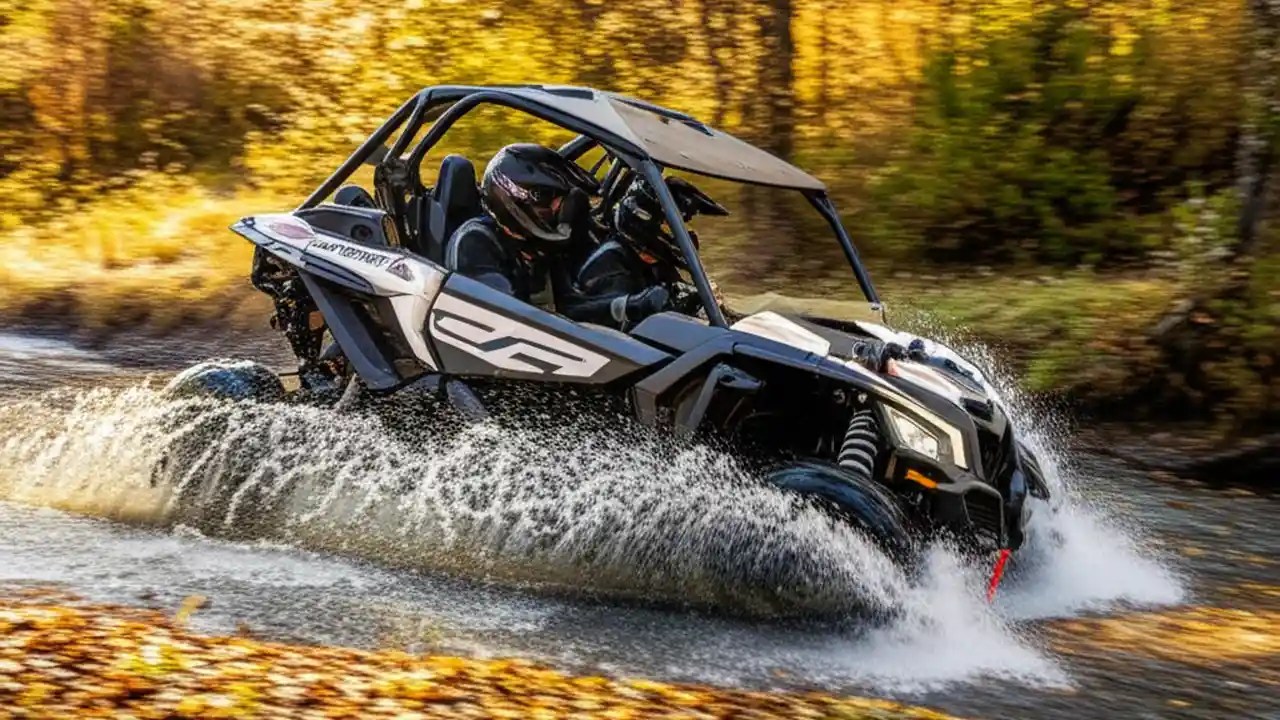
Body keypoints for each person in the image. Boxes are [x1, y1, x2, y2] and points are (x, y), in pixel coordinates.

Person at [573, 175, 728, 329]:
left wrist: (704, 301)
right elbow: (620, 332)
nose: (685, 235)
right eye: (671, 226)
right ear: (647, 223)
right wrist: (643, 305)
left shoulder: (656, 263)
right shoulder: (608, 263)